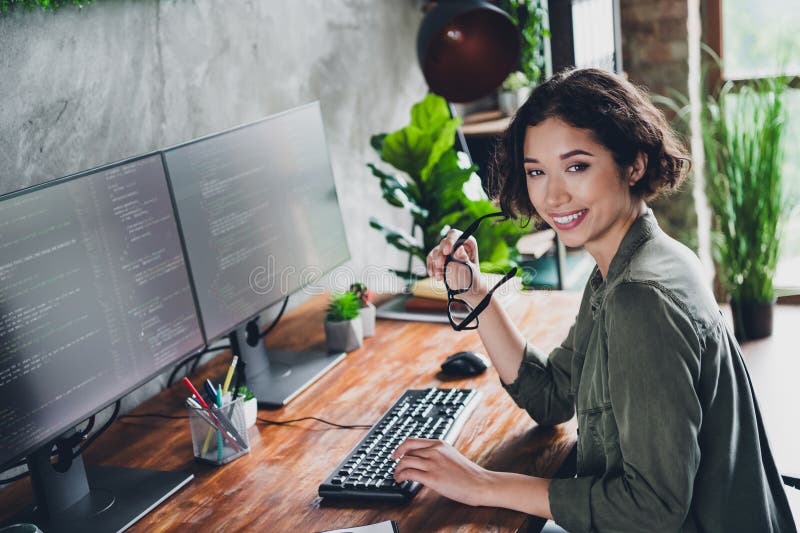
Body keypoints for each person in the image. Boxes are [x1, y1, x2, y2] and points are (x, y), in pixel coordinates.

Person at [390, 68, 796, 532]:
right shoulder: (627, 264)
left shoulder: (641, 300)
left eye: (576, 166)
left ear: (634, 164)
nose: (553, 194)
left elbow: (651, 509)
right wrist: (475, 293)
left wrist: (482, 484)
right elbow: (551, 396)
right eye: (536, 172)